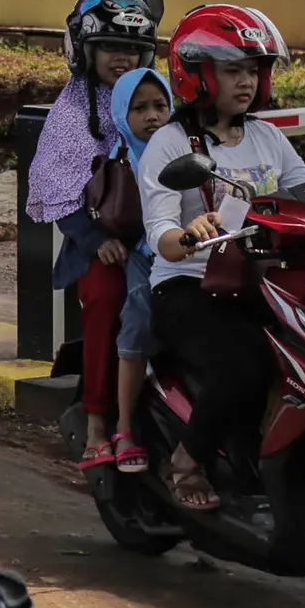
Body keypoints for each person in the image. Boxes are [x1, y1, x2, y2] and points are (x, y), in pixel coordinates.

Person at [136, 4, 305, 511]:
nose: (247, 82)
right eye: (233, 70)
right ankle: (187, 461)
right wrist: (188, 233)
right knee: (244, 365)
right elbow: (162, 233)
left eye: (253, 70)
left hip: (261, 279)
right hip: (189, 285)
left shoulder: (267, 136)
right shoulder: (170, 144)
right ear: (198, 75)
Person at [24, 0, 158, 470]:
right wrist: (97, 240)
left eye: (131, 48)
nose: (122, 59)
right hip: (101, 242)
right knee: (105, 301)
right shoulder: (73, 111)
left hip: (162, 237)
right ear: (85, 52)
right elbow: (57, 185)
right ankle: (100, 424)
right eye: (110, 48)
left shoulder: (156, 99)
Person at [105, 67, 173, 472]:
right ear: (121, 115)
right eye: (140, 108)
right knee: (138, 322)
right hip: (146, 257)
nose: (153, 116)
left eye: (161, 106)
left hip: (190, 254)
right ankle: (125, 427)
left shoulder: (185, 149)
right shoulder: (120, 156)